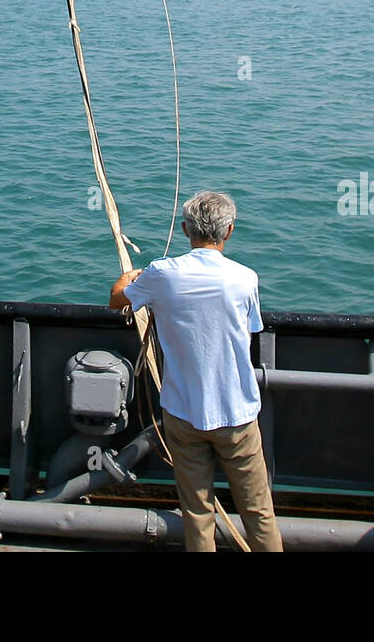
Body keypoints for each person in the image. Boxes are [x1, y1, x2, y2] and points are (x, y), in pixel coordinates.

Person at [110, 191, 282, 553]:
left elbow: (118, 299)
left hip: (184, 413)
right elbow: (251, 327)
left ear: (186, 229)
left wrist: (128, 276)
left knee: (197, 512)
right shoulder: (245, 278)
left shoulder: (161, 274)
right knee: (258, 511)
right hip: (238, 415)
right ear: (229, 231)